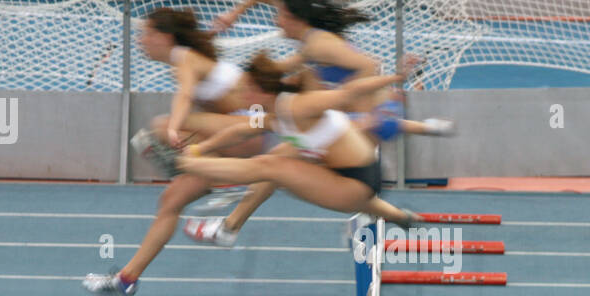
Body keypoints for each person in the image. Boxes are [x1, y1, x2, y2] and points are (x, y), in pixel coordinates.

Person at [82, 7, 271, 296]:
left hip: (253, 130)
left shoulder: (183, 58)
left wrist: (174, 128)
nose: (141, 40)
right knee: (170, 201)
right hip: (230, 137)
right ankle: (126, 279)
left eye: (147, 33)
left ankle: (227, 184)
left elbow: (184, 94)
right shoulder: (189, 57)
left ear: (165, 36)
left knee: (159, 127)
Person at [178, 53, 421, 247]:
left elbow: (350, 92)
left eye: (245, 88)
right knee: (280, 158)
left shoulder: (299, 107)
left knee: (273, 166)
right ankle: (402, 217)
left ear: (261, 91)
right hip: (344, 175)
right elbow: (242, 130)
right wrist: (202, 147)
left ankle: (193, 181)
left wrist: (395, 77)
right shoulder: (274, 117)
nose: (240, 93)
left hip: (356, 184)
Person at [269, 0, 455, 142]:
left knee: (300, 139)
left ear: (294, 18)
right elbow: (279, 69)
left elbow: (370, 65)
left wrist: (357, 108)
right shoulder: (309, 45)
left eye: (280, 15)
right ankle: (428, 125)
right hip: (379, 113)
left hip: (376, 115)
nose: (276, 22)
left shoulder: (318, 45)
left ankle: (427, 125)